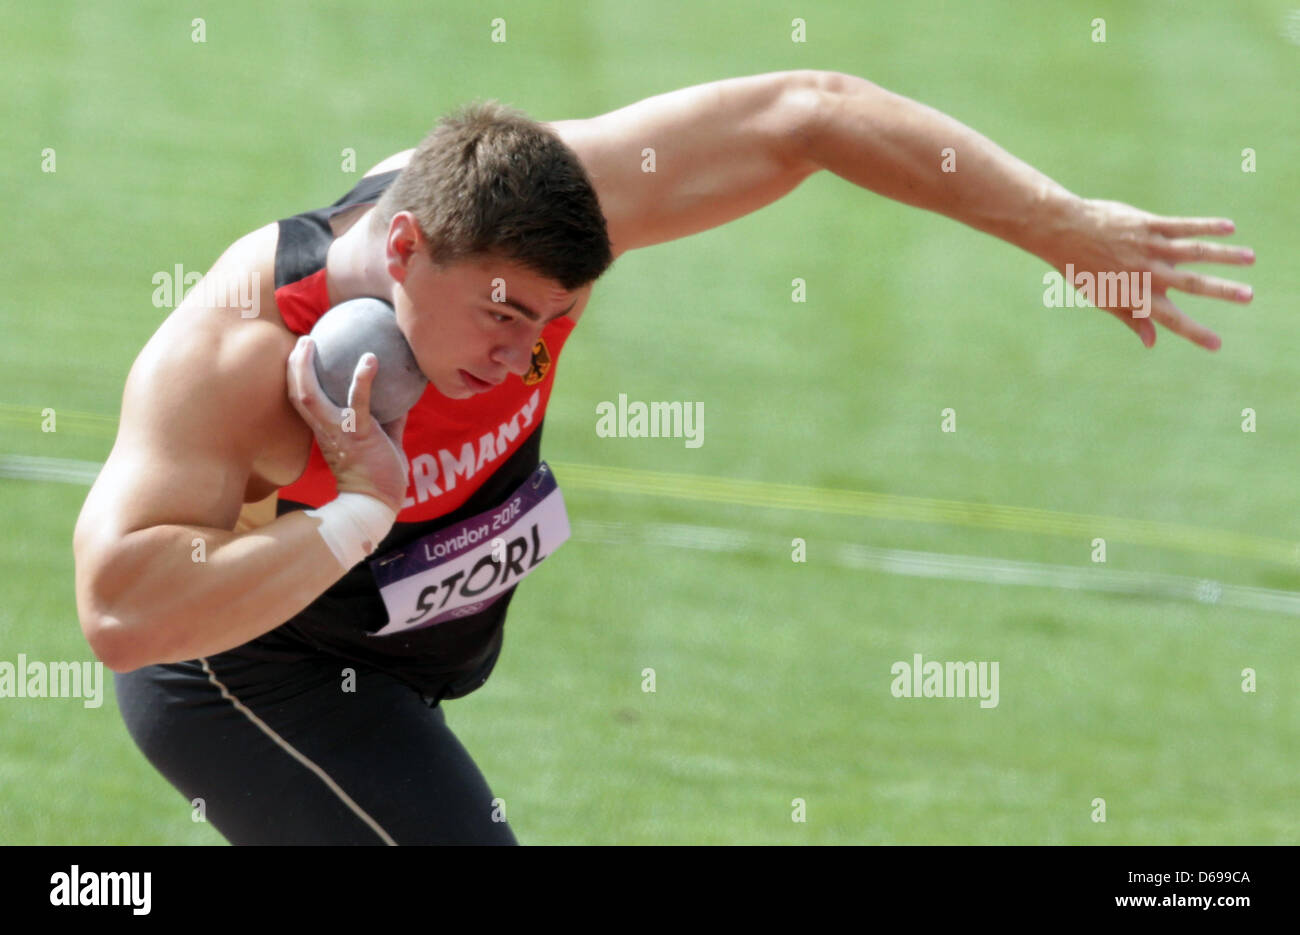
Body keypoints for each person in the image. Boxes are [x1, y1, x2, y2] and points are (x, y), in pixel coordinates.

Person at [72, 70, 1255, 845]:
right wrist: (351, 513)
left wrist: (1057, 225)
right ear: (405, 246)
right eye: (501, 314)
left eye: (554, 319)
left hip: (407, 644)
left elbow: (811, 114)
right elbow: (122, 613)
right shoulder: (236, 355)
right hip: (250, 673)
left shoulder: (540, 206)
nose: (524, 353)